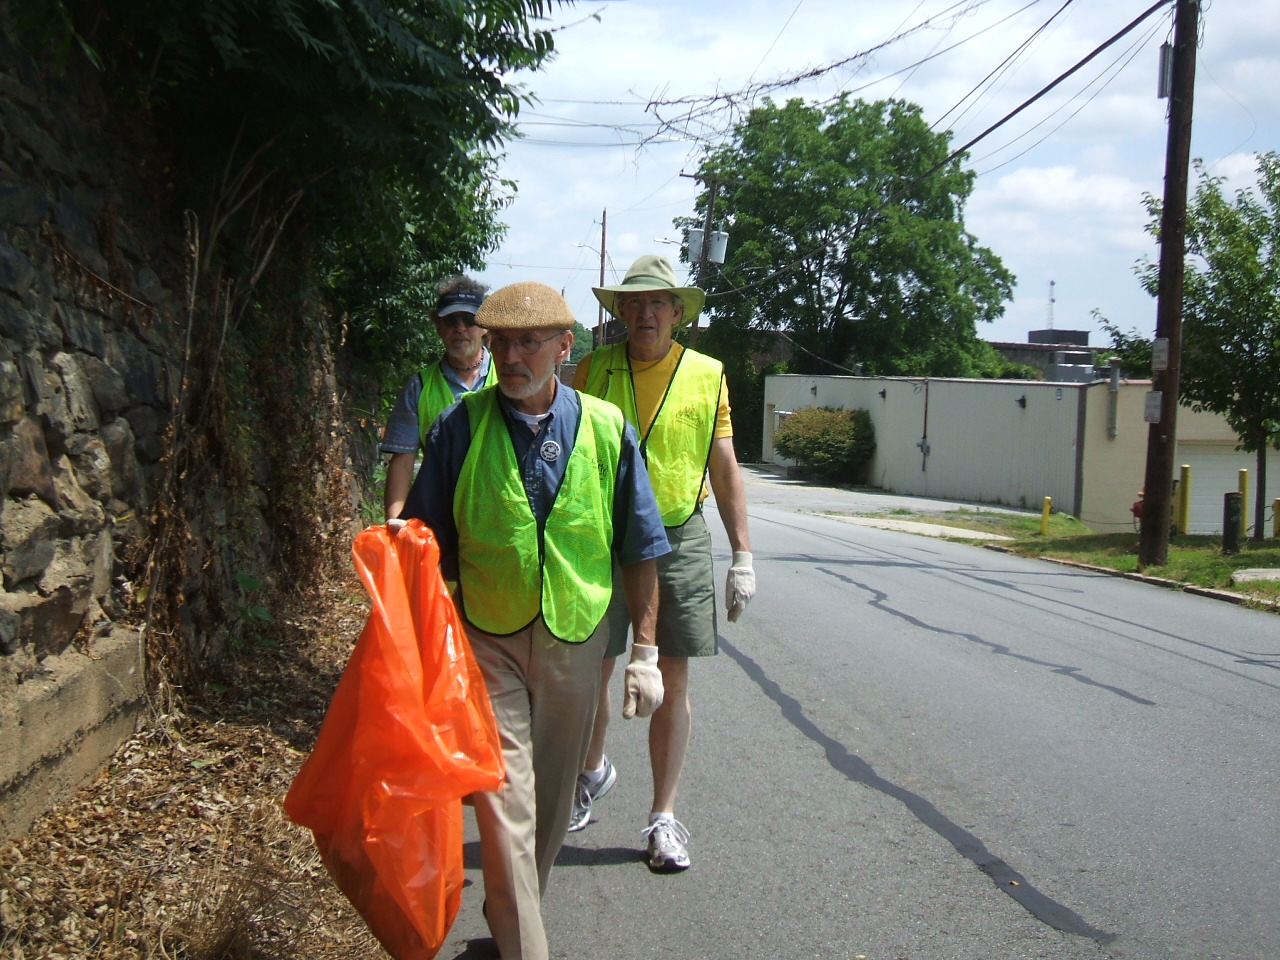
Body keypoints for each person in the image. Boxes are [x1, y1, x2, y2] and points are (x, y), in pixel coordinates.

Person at [392, 280, 670, 960]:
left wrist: (646, 651)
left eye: (528, 341)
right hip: (489, 643)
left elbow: (640, 545)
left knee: (546, 811)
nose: (510, 355)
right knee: (505, 801)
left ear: (564, 346)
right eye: (501, 341)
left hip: (578, 644)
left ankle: (513, 923)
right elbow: (427, 545)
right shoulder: (459, 427)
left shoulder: (606, 428)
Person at [570, 254, 755, 872]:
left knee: (671, 679)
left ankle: (663, 817)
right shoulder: (593, 368)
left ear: (678, 312)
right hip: (601, 540)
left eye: (657, 303)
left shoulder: (708, 374)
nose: (645, 313)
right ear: (620, 311)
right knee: (591, 666)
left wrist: (743, 554)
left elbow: (724, 465)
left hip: (678, 536)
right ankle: (589, 772)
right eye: (634, 303)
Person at [379, 275, 495, 520]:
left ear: (485, 326)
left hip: (497, 517)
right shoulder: (419, 387)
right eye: (451, 320)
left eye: (469, 319)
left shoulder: (508, 378)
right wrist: (395, 522)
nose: (460, 328)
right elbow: (402, 460)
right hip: (440, 519)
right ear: (438, 326)